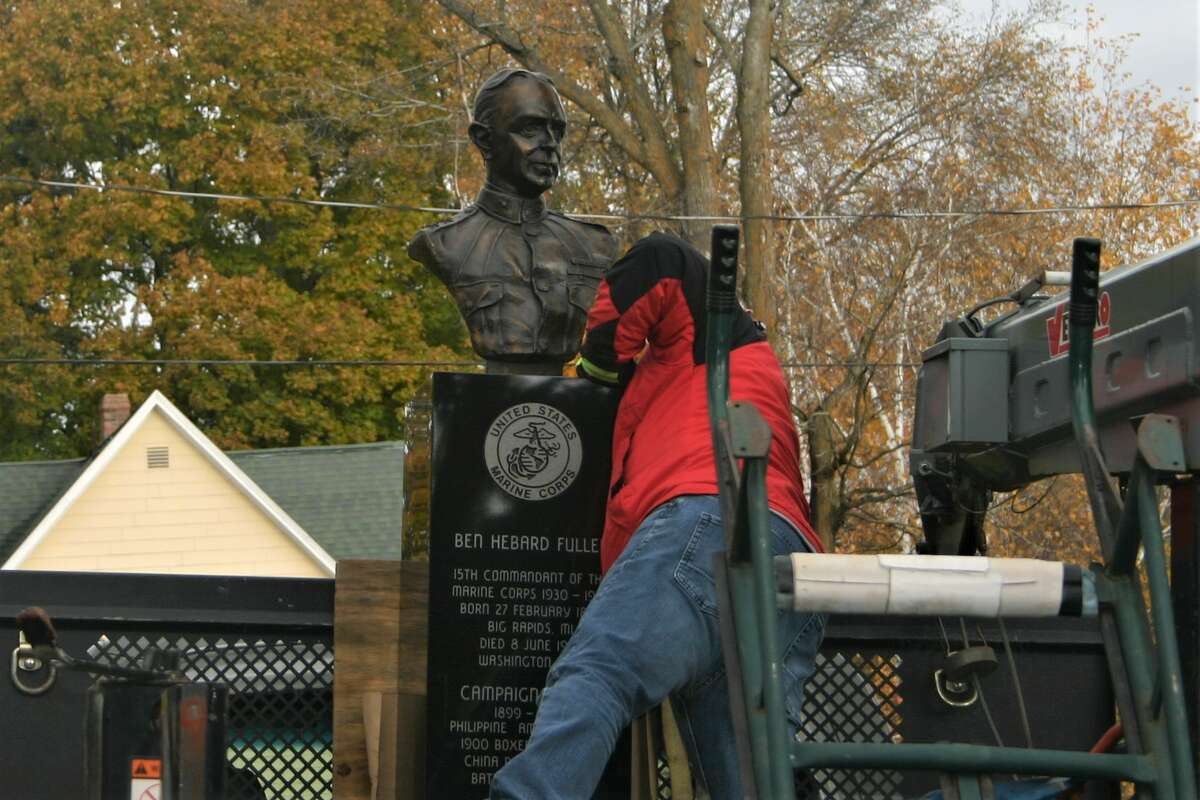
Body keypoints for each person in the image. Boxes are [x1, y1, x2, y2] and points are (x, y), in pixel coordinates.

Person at [489, 232, 826, 799]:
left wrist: (596, 371)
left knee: (598, 674)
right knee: (754, 778)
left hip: (708, 527)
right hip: (786, 573)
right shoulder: (712, 380)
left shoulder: (710, 337)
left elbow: (662, 261)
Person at [407, 68, 618, 375]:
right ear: (484, 139)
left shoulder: (594, 245)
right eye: (530, 129)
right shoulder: (446, 244)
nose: (550, 144)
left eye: (557, 131)